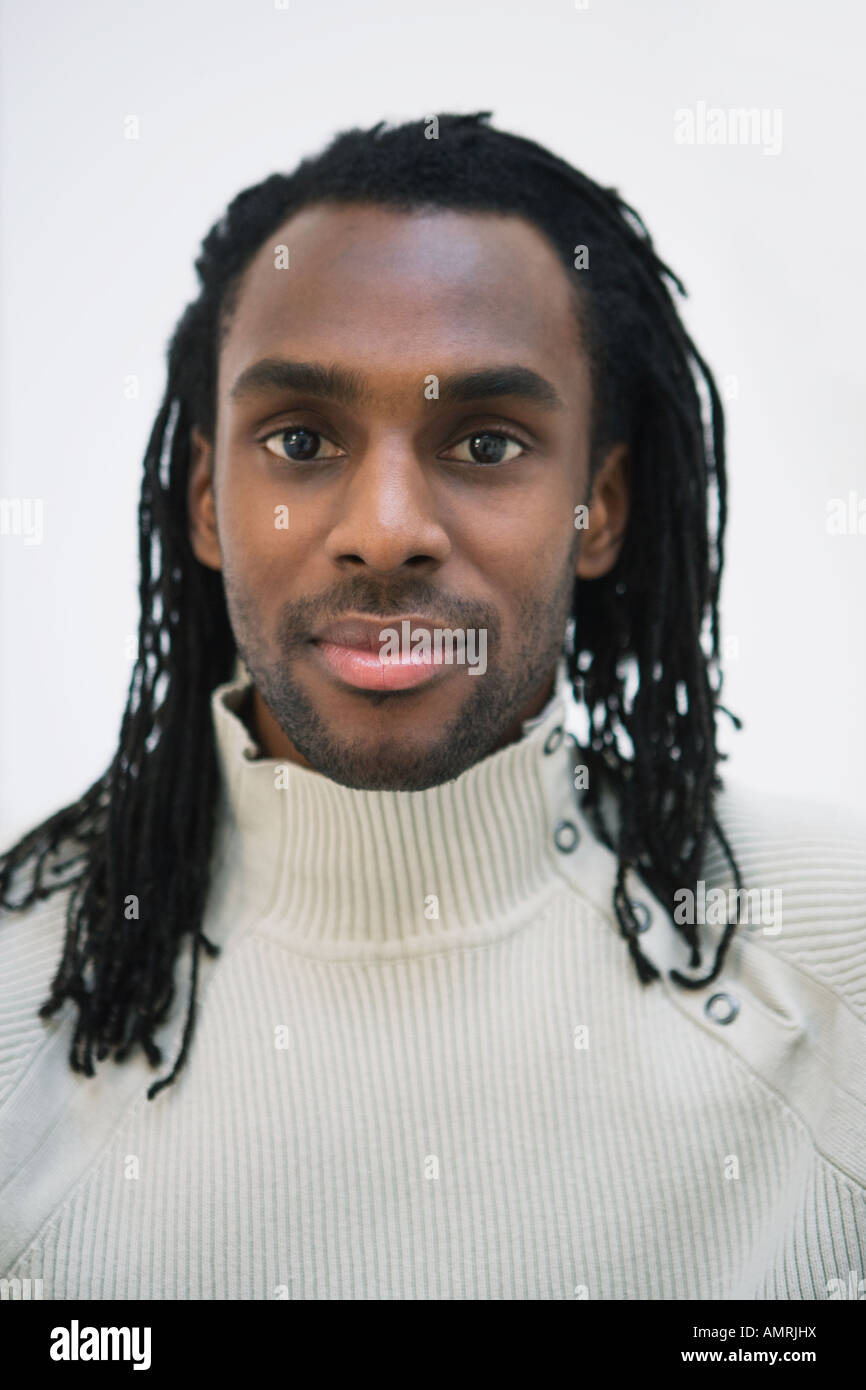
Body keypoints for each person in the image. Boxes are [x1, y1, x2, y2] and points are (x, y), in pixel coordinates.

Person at [1, 112, 863, 1301]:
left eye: (487, 441)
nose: (387, 529)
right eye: (300, 438)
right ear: (206, 500)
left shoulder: (836, 961)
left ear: (597, 508)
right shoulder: (23, 1004)